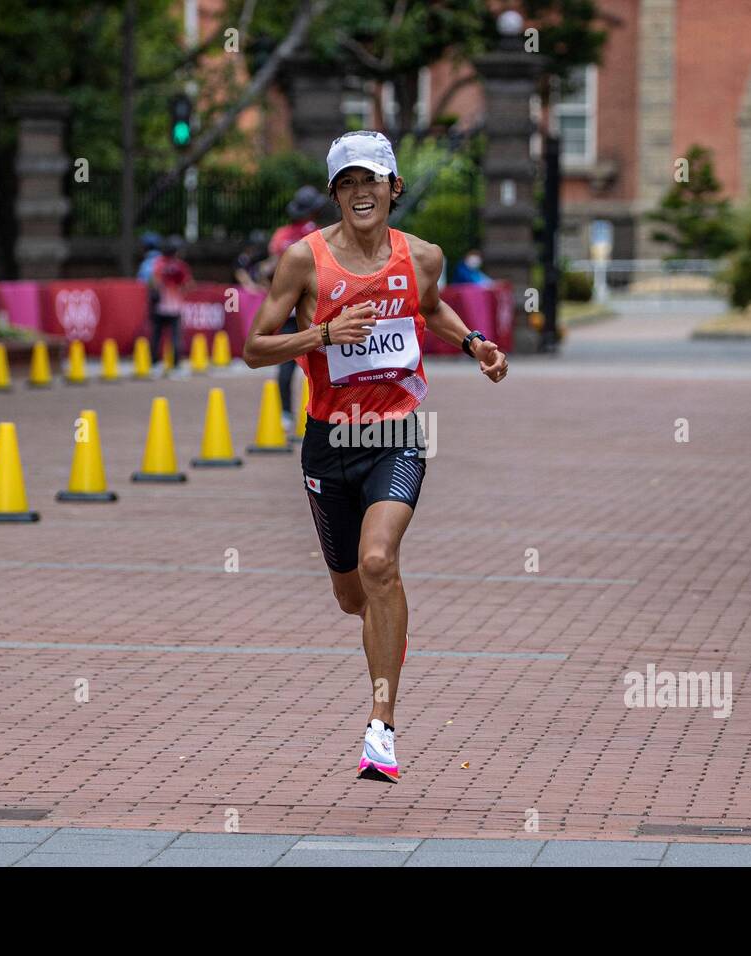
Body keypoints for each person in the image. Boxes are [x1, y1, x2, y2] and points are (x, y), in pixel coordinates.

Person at [242, 130, 508, 784]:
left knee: (379, 562)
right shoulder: (304, 262)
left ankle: (381, 726)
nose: (361, 194)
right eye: (348, 183)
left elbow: (432, 308)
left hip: (394, 432)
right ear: (336, 194)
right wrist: (323, 333)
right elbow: (254, 347)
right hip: (329, 439)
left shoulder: (422, 257)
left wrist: (474, 342)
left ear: (394, 187)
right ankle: (386, 624)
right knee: (351, 594)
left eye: (372, 181)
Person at [268, 186, 328, 430]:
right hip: (316, 310)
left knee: (286, 363)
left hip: (287, 310)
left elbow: (272, 268)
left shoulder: (281, 235)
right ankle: (324, 411)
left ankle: (285, 413)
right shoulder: (316, 234)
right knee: (324, 363)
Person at [150, 235, 192, 369]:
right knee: (175, 337)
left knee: (156, 336)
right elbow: (188, 285)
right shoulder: (180, 266)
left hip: (159, 307)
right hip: (174, 308)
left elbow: (154, 283)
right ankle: (176, 365)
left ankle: (154, 363)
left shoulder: (159, 263)